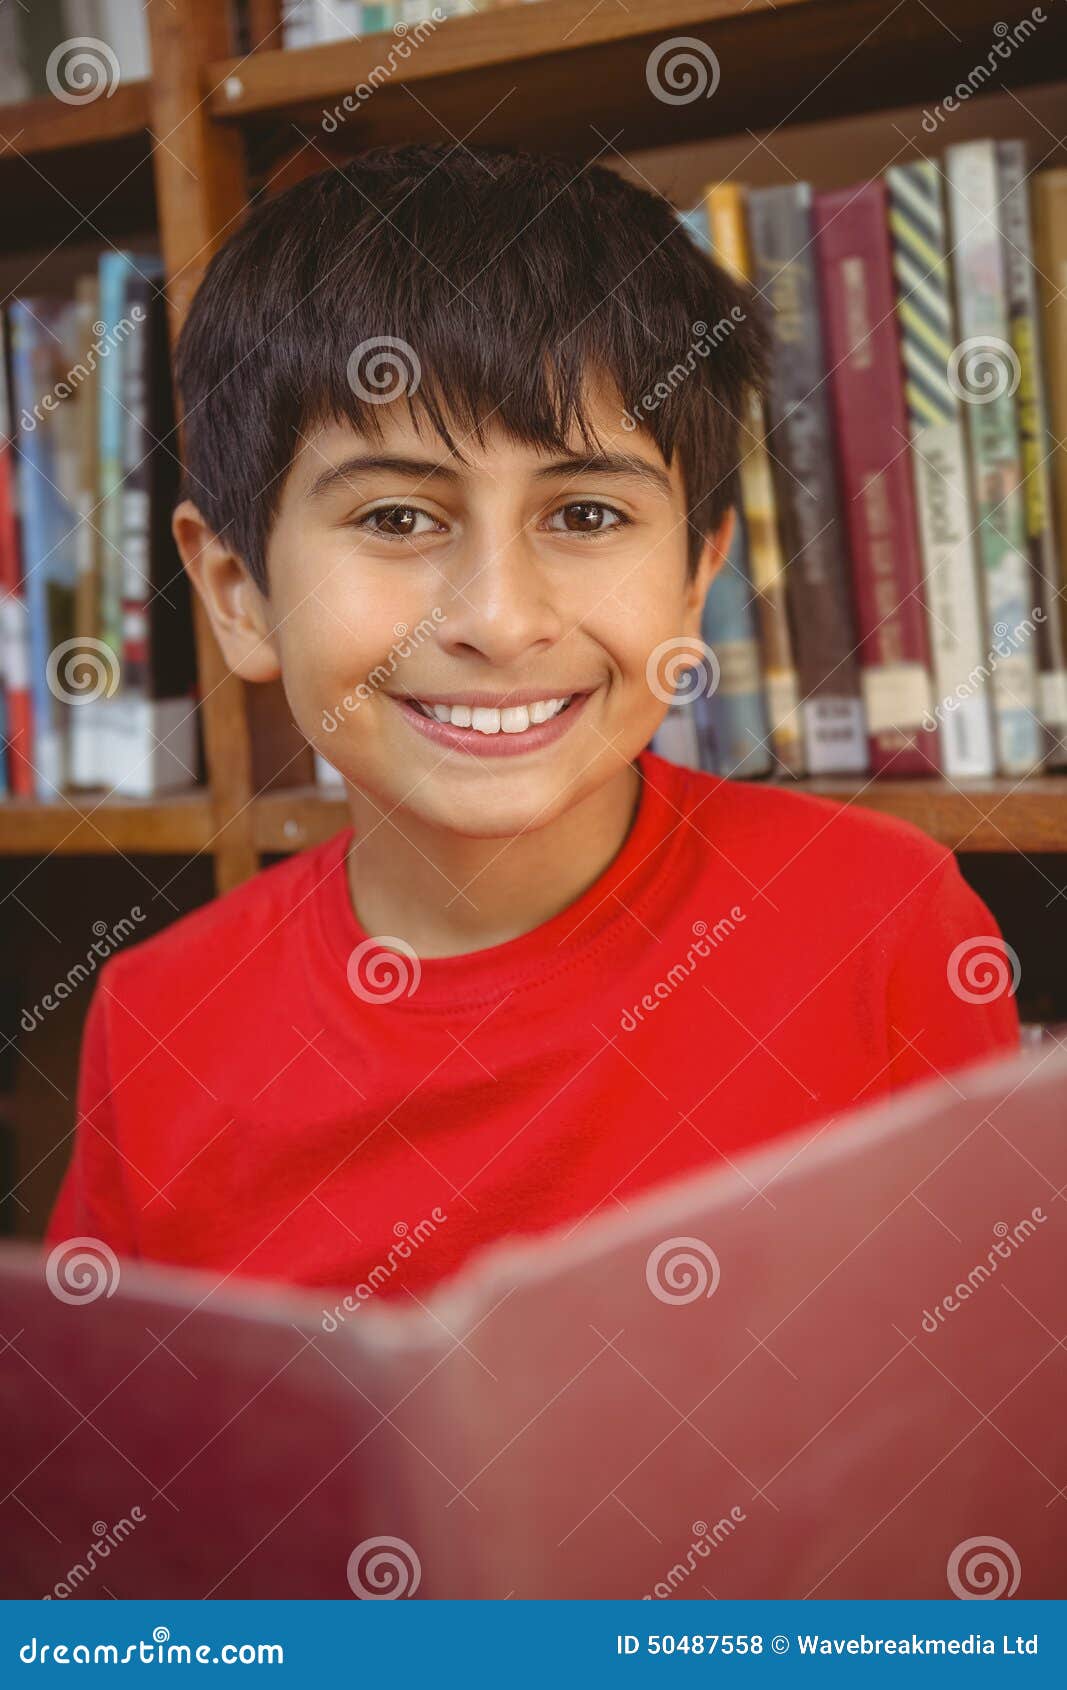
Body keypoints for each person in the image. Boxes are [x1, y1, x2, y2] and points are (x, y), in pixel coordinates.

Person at [45, 143, 1020, 1296]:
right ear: (237, 595)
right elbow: (103, 1406)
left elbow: (995, 1375)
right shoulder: (157, 1019)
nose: (500, 621)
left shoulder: (879, 923)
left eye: (587, 513)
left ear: (695, 577)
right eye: (397, 519)